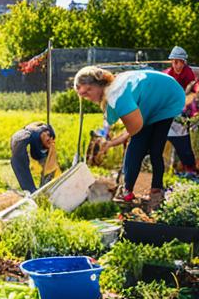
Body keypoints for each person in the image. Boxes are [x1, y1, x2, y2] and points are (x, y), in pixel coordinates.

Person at [74, 66, 186, 206]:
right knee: (155, 149)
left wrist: (111, 143)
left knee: (136, 146)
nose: (87, 96)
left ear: (99, 85)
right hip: (170, 94)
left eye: (89, 90)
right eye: (84, 94)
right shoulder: (116, 84)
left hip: (166, 98)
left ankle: (126, 191)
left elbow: (134, 129)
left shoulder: (116, 95)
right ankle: (156, 190)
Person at [163, 47, 198, 176]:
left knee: (183, 143)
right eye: (173, 61)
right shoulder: (168, 74)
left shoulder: (189, 74)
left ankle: (190, 169)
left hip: (186, 112)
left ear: (184, 62)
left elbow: (192, 94)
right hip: (169, 111)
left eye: (178, 62)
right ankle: (173, 168)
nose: (176, 65)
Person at [9, 122, 59, 193]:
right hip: (20, 140)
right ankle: (31, 190)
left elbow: (36, 155)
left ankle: (33, 189)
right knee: (21, 162)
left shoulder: (38, 131)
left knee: (20, 162)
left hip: (17, 138)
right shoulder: (43, 133)